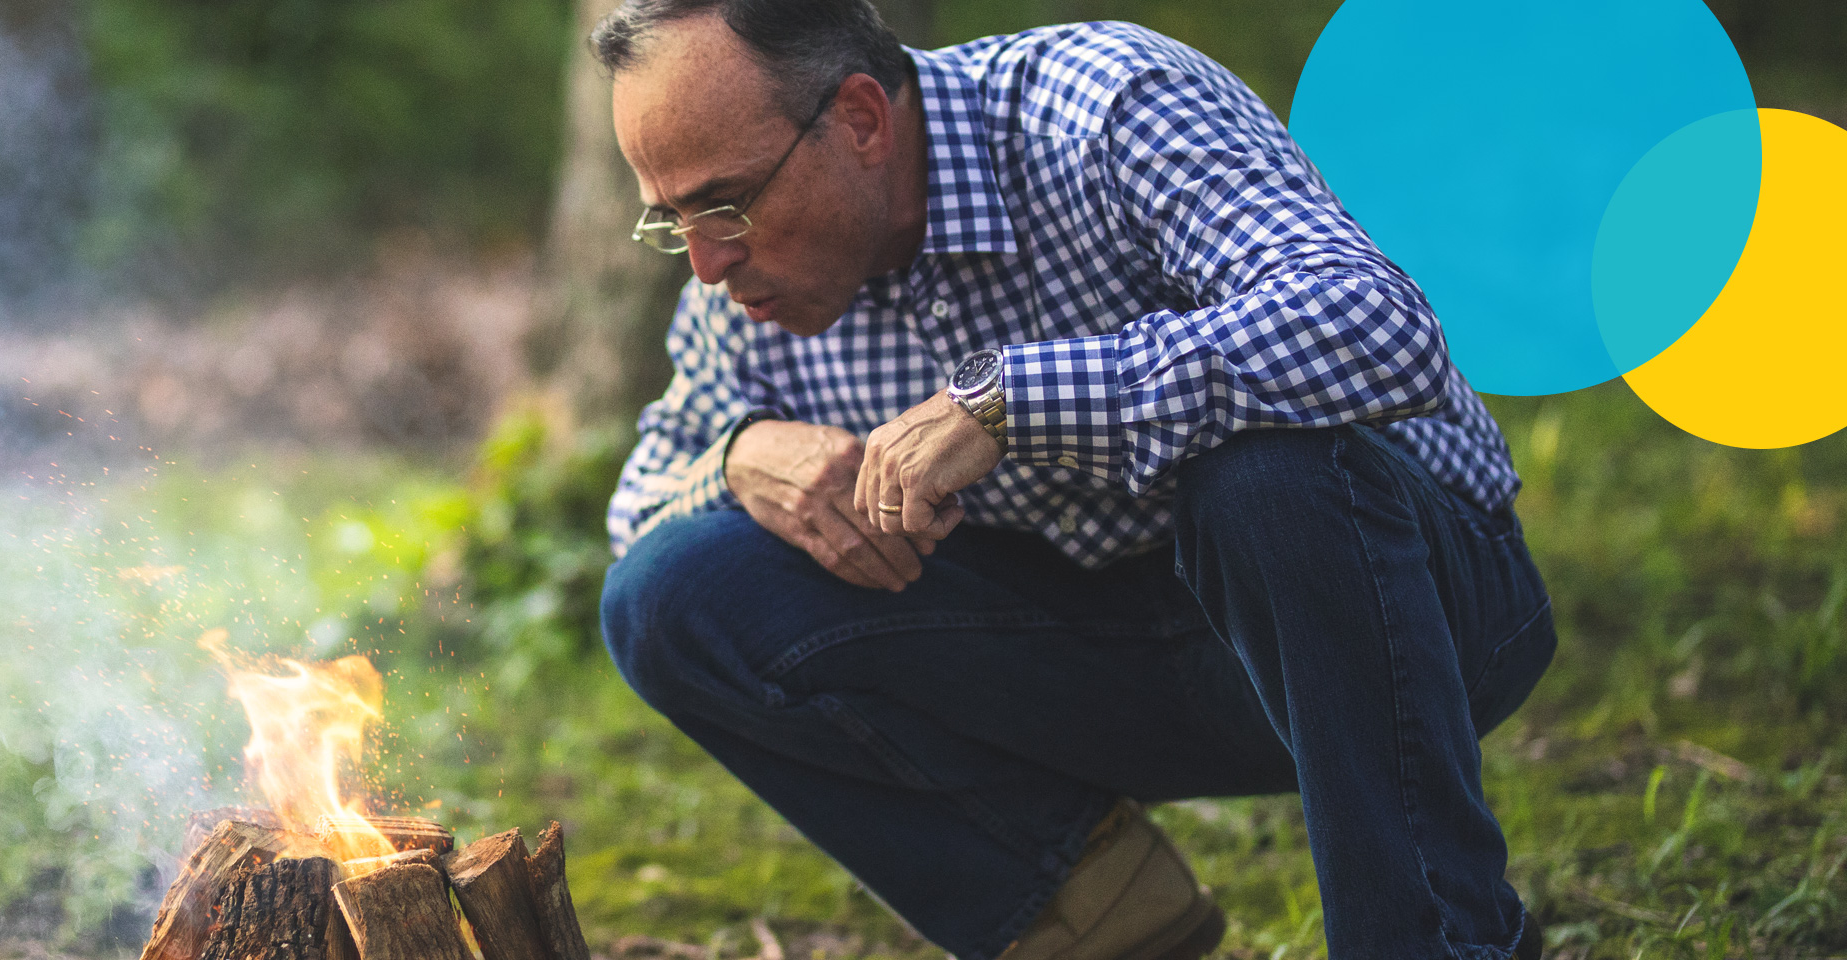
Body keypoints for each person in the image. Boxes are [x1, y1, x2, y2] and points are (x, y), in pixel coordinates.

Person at [588, 2, 1558, 959]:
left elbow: (1375, 327)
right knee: (666, 594)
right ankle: (1092, 910)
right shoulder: (743, 292)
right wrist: (740, 457)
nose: (707, 263)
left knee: (1262, 475)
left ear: (860, 120)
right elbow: (640, 503)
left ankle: (1438, 942)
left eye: (724, 203)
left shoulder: (1104, 105)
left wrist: (1013, 399)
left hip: (1416, 615)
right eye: (672, 220)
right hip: (1125, 672)